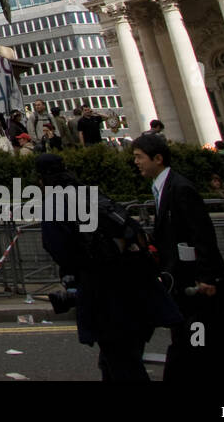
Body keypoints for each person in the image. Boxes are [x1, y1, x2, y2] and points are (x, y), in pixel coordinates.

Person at [37, 152, 181, 381]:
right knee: (116, 360)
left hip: (106, 293)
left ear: (42, 179)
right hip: (138, 286)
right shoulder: (91, 194)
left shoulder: (55, 203)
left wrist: (77, 272)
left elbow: (58, 249)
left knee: (123, 364)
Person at [131, 133, 224, 382]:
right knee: (208, 349)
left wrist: (206, 277)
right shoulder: (162, 188)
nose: (136, 162)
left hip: (201, 290)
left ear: (158, 158)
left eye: (139, 157)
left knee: (200, 347)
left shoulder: (180, 188)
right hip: (187, 285)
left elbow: (202, 234)